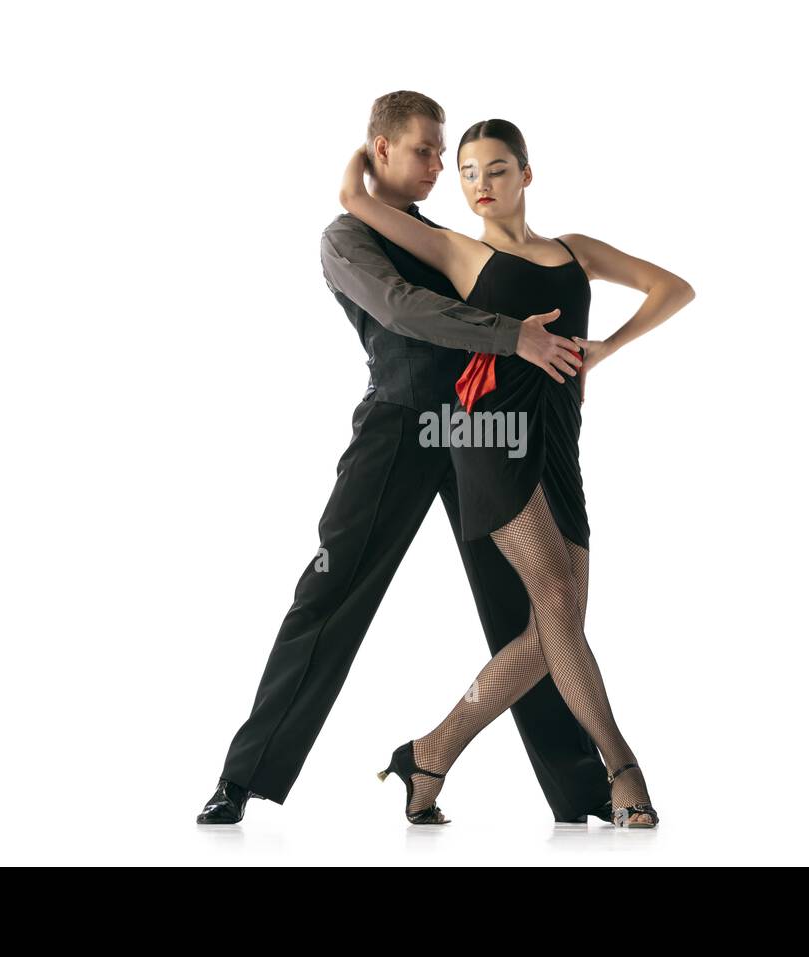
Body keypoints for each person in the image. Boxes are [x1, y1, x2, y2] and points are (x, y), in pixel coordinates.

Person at [197, 91, 615, 826]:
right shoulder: (344, 239)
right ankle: (244, 777)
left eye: (439, 152)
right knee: (329, 596)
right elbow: (400, 308)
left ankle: (578, 789)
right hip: (397, 431)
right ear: (380, 149)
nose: (436, 167)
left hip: (479, 432)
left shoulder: (442, 236)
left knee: (539, 608)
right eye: (424, 150)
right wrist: (510, 333)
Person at [339, 117, 696, 827]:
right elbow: (354, 197)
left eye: (495, 169)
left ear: (526, 175)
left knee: (550, 630)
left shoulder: (576, 250)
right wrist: (368, 146)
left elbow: (673, 287)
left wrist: (606, 349)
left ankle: (428, 754)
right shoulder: (457, 250)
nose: (478, 184)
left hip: (560, 440)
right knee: (557, 598)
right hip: (491, 434)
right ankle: (623, 768)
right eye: (466, 172)